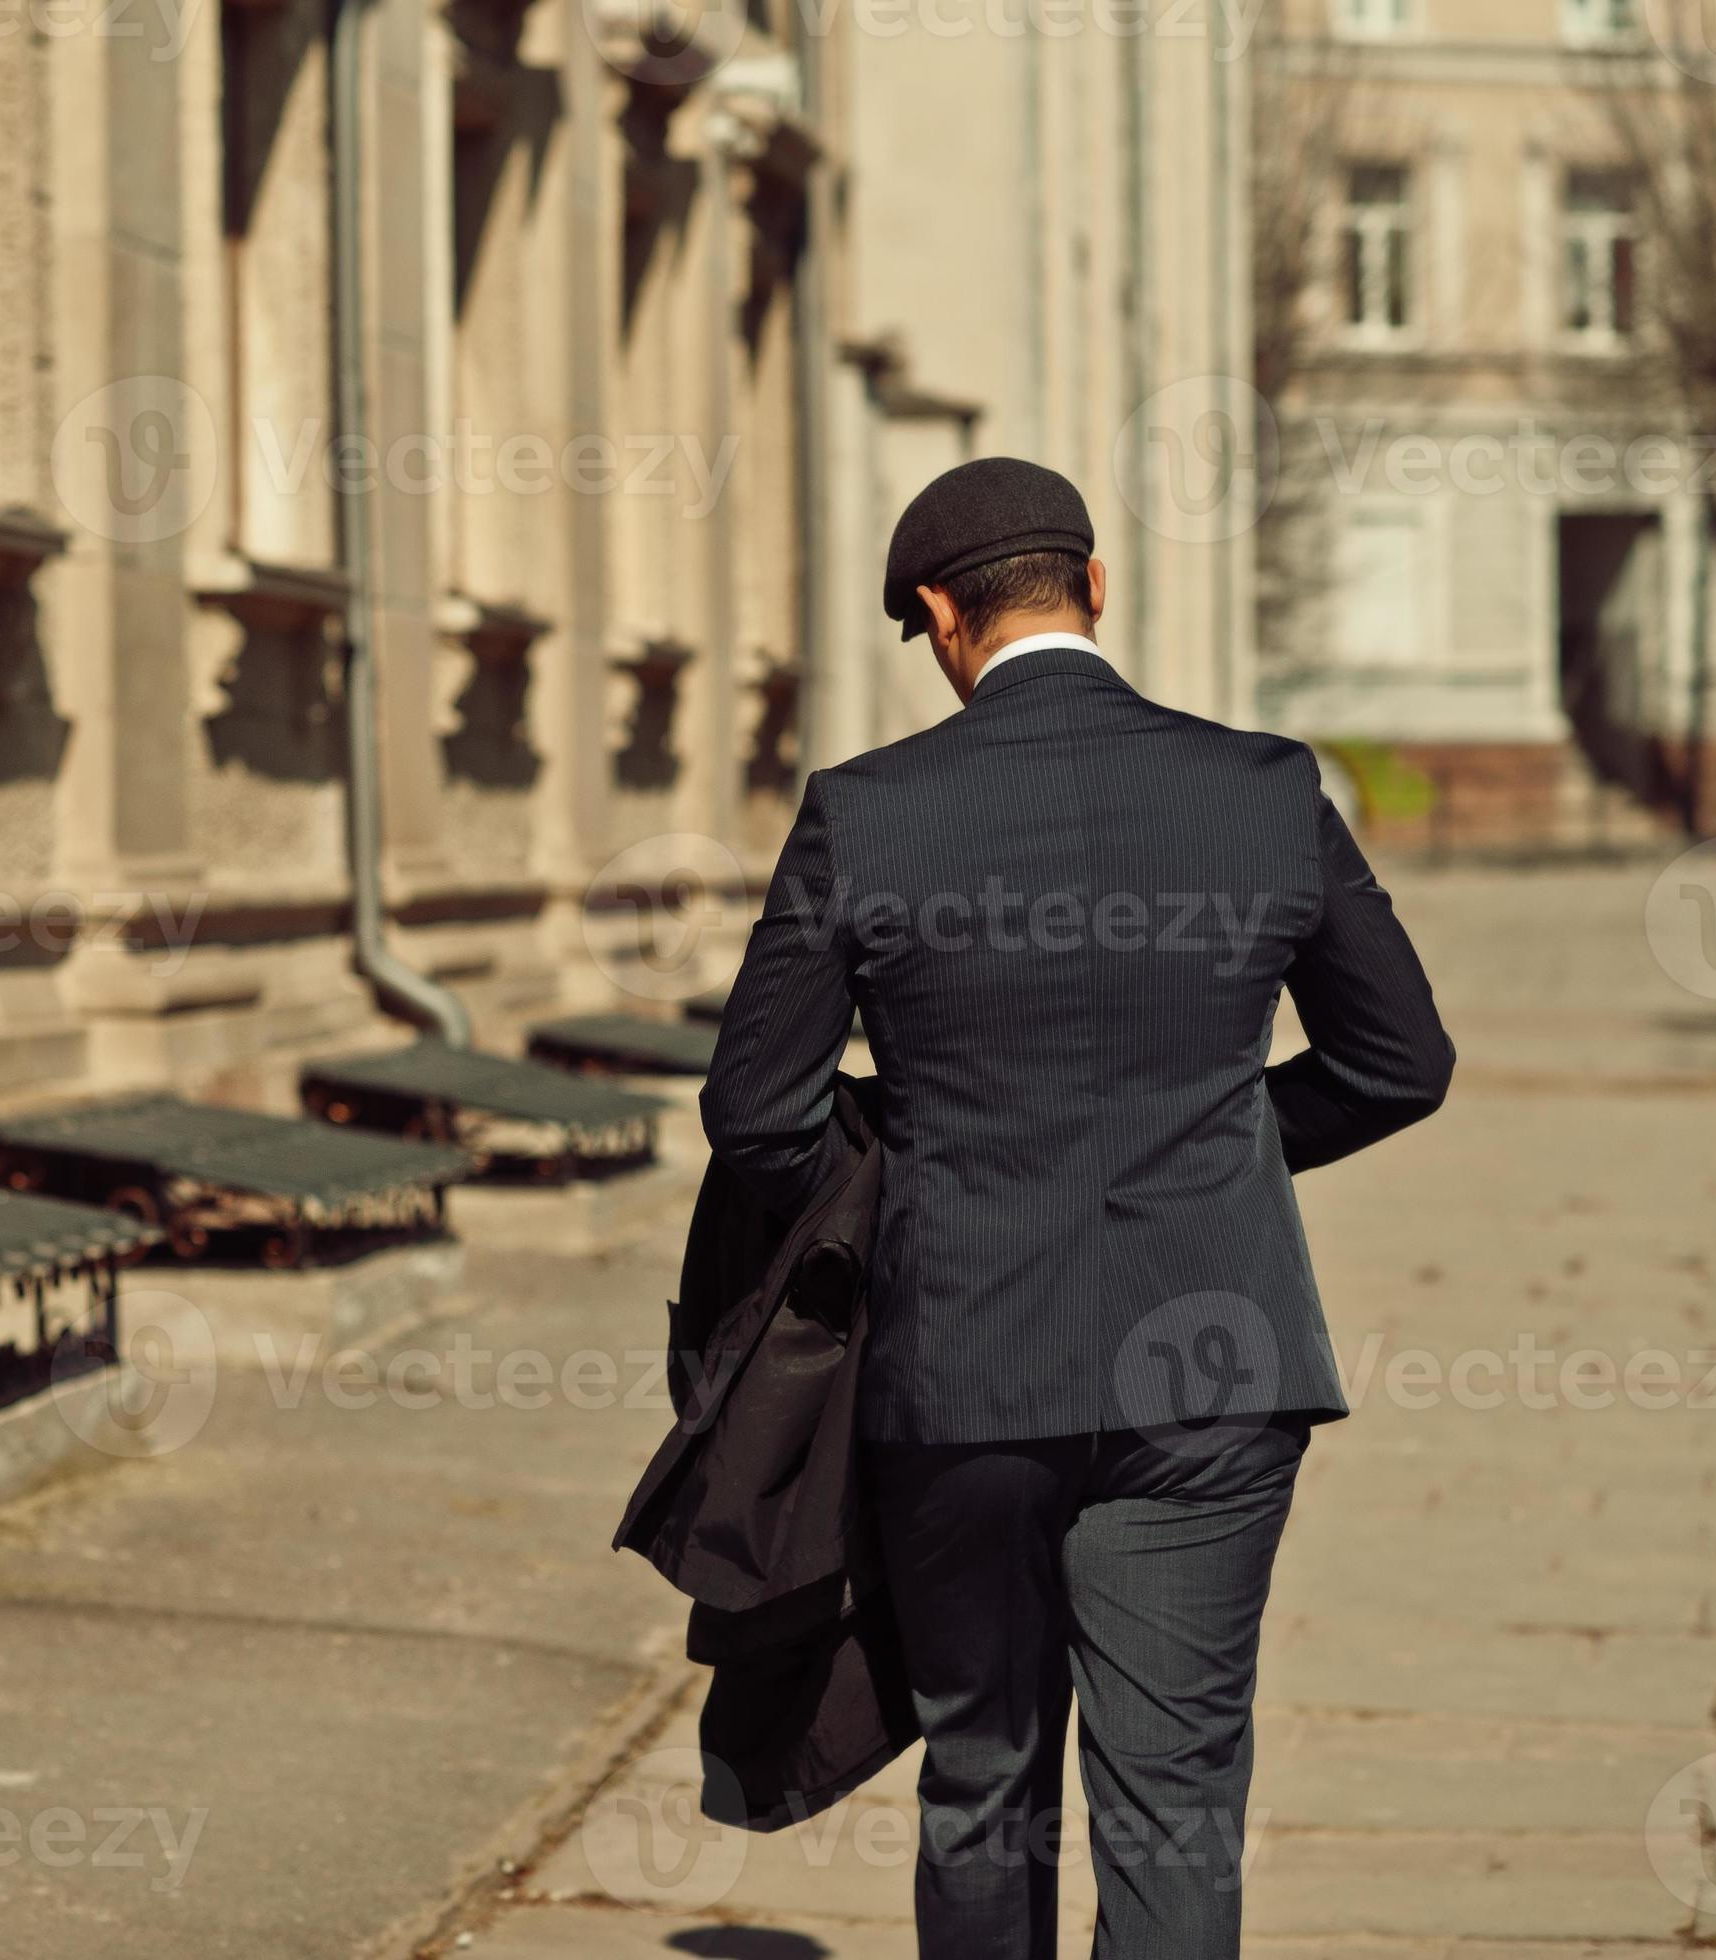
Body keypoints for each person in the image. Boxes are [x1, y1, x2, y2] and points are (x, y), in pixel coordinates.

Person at [699, 457, 1454, 1957]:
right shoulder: (1261, 788)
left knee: (983, 1781)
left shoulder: (865, 812)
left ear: (935, 615)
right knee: (1174, 1794)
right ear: (1094, 585)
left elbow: (755, 1113)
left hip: (963, 1362)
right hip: (1214, 1357)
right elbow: (1398, 1063)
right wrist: (1214, 1150)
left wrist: (909, 1188)